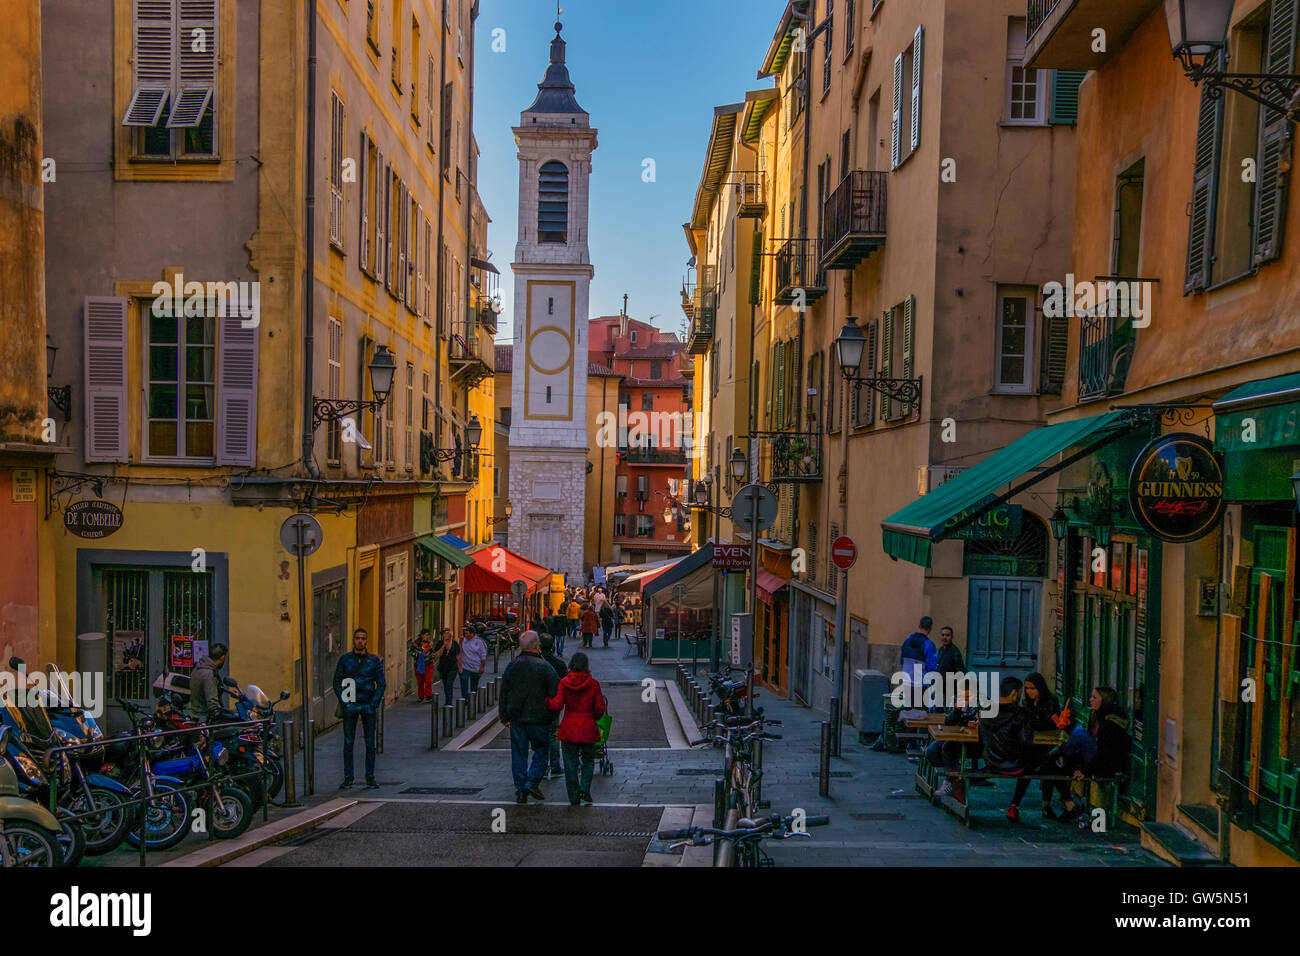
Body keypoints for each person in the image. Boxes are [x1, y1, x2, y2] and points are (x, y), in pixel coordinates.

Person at [499, 631, 560, 804]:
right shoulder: (545, 667)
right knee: (541, 750)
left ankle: (521, 789)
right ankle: (532, 781)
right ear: (536, 646)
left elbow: (504, 692)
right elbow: (555, 693)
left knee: (519, 754)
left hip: (517, 718)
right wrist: (553, 715)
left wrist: (504, 716)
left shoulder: (512, 665)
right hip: (540, 718)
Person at [1055, 686, 1132, 824]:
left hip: (1107, 764)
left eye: (1094, 697)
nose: (1090, 700)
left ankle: (1059, 757)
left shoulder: (1110, 723)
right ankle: (1058, 760)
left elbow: (1105, 753)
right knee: (1054, 766)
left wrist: (1085, 770)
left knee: (1078, 733)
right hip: (1095, 759)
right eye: (1091, 696)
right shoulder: (1097, 715)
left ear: (1105, 700)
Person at [547, 651, 608, 806]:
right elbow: (600, 708)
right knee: (588, 760)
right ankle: (585, 788)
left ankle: (573, 796)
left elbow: (557, 705)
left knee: (570, 763)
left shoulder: (564, 683)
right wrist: (592, 717)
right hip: (588, 727)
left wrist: (546, 700)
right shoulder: (593, 684)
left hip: (569, 728)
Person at [976, 675, 1036, 822]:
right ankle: (1014, 805)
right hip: (1015, 765)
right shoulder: (1021, 714)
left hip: (991, 761)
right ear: (1014, 693)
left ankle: (957, 786)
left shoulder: (985, 711)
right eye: (1021, 693)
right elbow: (1027, 742)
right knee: (1035, 765)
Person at [332, 629, 385, 789]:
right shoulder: (345, 660)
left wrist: (373, 704)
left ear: (366, 641)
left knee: (370, 743)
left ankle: (370, 776)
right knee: (348, 742)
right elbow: (336, 682)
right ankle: (348, 777)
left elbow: (381, 683)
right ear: (353, 640)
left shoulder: (373, 661)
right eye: (357, 638)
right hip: (351, 704)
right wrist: (345, 702)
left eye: (363, 638)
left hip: (368, 704)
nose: (360, 641)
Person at [1009, 672, 1064, 819]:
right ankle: (1022, 805)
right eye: (1026, 688)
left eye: (1032, 688)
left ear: (1040, 688)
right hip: (1031, 744)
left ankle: (1023, 804)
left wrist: (1032, 722)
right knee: (1042, 767)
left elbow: (1051, 723)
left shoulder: (1050, 700)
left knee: (1044, 765)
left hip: (1047, 744)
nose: (1029, 692)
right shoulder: (1027, 702)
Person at [539, 634, 568, 780]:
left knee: (539, 735)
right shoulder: (559, 664)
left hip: (536, 705)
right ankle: (555, 765)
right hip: (554, 705)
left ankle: (541, 767)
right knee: (553, 734)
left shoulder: (535, 663)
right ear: (552, 646)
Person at [189, 643, 228, 722]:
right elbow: (212, 702)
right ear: (222, 657)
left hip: (195, 715)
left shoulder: (197, 668)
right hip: (205, 718)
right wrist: (221, 717)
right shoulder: (209, 674)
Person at [900, 616, 939, 689]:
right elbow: (932, 667)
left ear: (919, 625)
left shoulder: (907, 641)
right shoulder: (929, 644)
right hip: (921, 686)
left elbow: (902, 661)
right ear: (930, 628)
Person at [459, 626, 488, 699]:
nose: (465, 635)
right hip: (465, 667)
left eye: (467, 633)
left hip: (476, 667)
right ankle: (465, 698)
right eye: (465, 633)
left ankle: (473, 699)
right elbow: (459, 652)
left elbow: (483, 655)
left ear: (472, 634)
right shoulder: (463, 640)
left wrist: (482, 667)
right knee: (464, 683)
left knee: (474, 685)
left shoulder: (479, 642)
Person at [434, 628, 460, 703]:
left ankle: (449, 702)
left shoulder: (455, 644)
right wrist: (443, 645)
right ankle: (447, 700)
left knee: (449, 684)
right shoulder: (440, 643)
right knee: (445, 685)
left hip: (453, 668)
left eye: (448, 633)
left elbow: (458, 656)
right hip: (443, 668)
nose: (446, 635)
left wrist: (460, 667)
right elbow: (437, 655)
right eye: (445, 634)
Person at [410, 630, 435, 702]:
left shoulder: (430, 643)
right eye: (425, 635)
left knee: (428, 680)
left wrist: (431, 653)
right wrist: (423, 652)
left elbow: (433, 654)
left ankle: (428, 696)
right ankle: (421, 696)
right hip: (419, 665)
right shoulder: (416, 644)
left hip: (428, 665)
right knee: (420, 681)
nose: (427, 637)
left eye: (428, 635)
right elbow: (413, 653)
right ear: (421, 635)